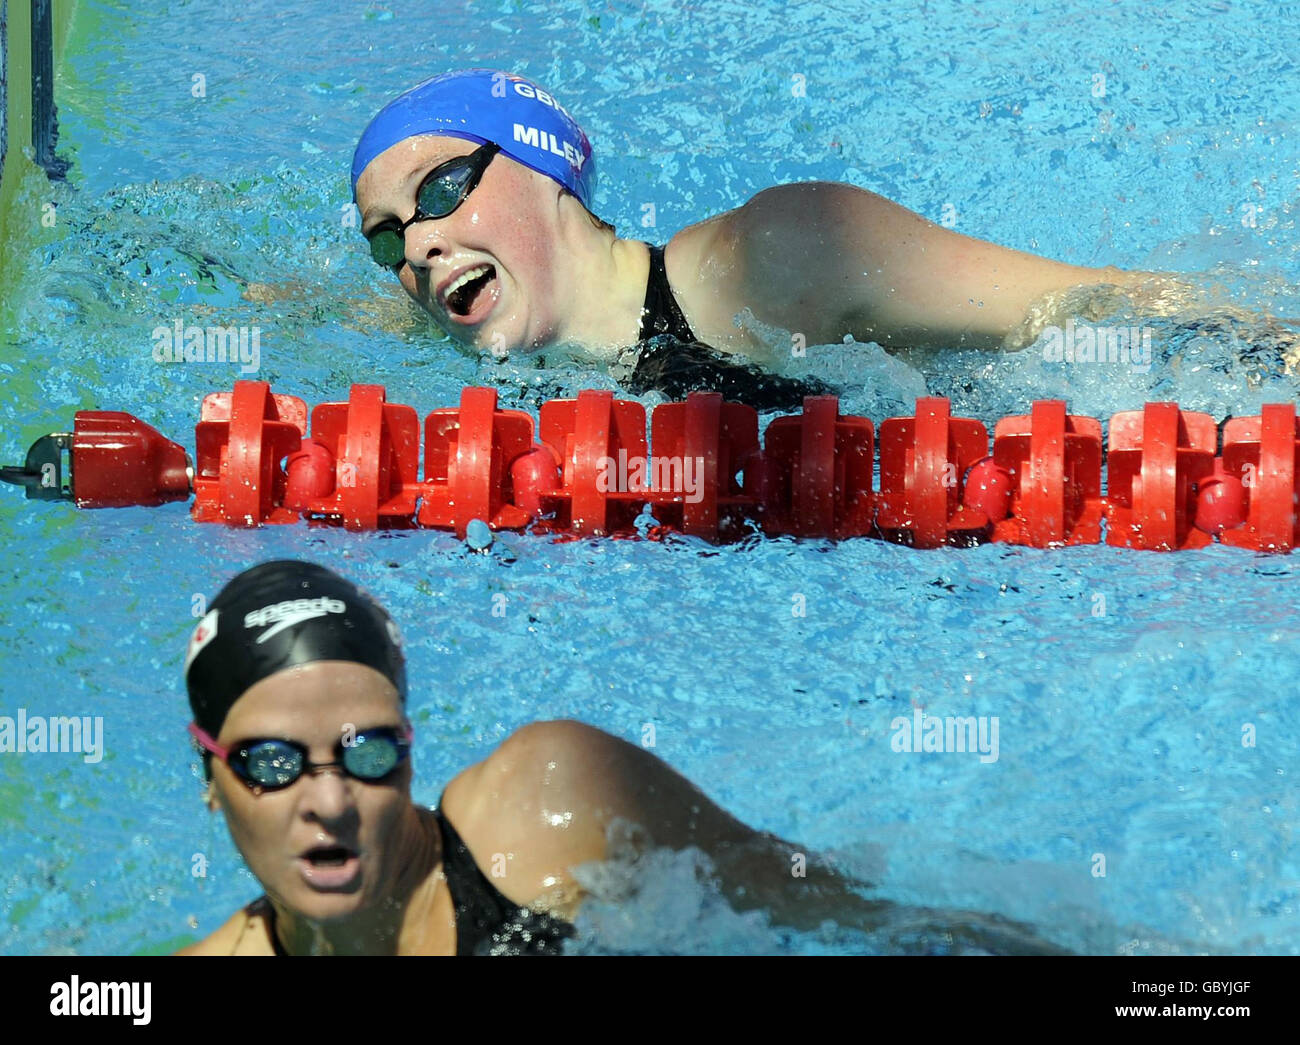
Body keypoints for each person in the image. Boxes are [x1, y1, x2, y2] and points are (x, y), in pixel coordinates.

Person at [175, 559, 1066, 955]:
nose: (329, 800)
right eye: (273, 762)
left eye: (369, 751)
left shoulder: (550, 809)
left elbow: (853, 915)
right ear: (210, 777)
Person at [350, 68, 1265, 410]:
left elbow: (1093, 305)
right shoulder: (461, 333)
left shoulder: (776, 259)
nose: (420, 247)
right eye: (387, 240)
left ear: (547, 168)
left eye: (440, 191)